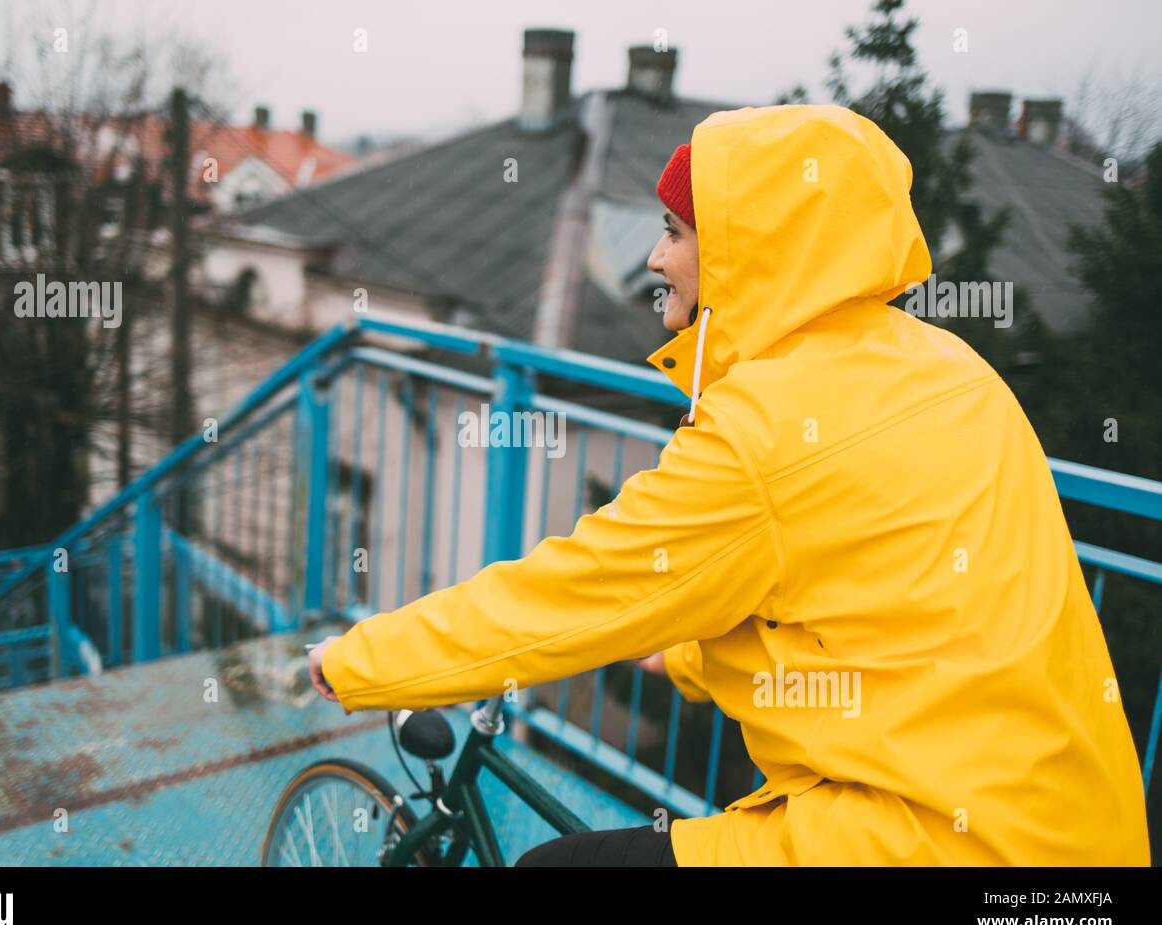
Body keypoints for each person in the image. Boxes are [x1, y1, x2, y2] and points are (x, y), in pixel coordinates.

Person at [309, 104, 1150, 866]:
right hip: (1080, 838)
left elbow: (562, 599)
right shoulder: (951, 368)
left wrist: (356, 661)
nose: (654, 256)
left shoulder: (763, 427)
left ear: (750, 253)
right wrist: (679, 652)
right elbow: (881, 608)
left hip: (923, 839)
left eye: (675, 231)